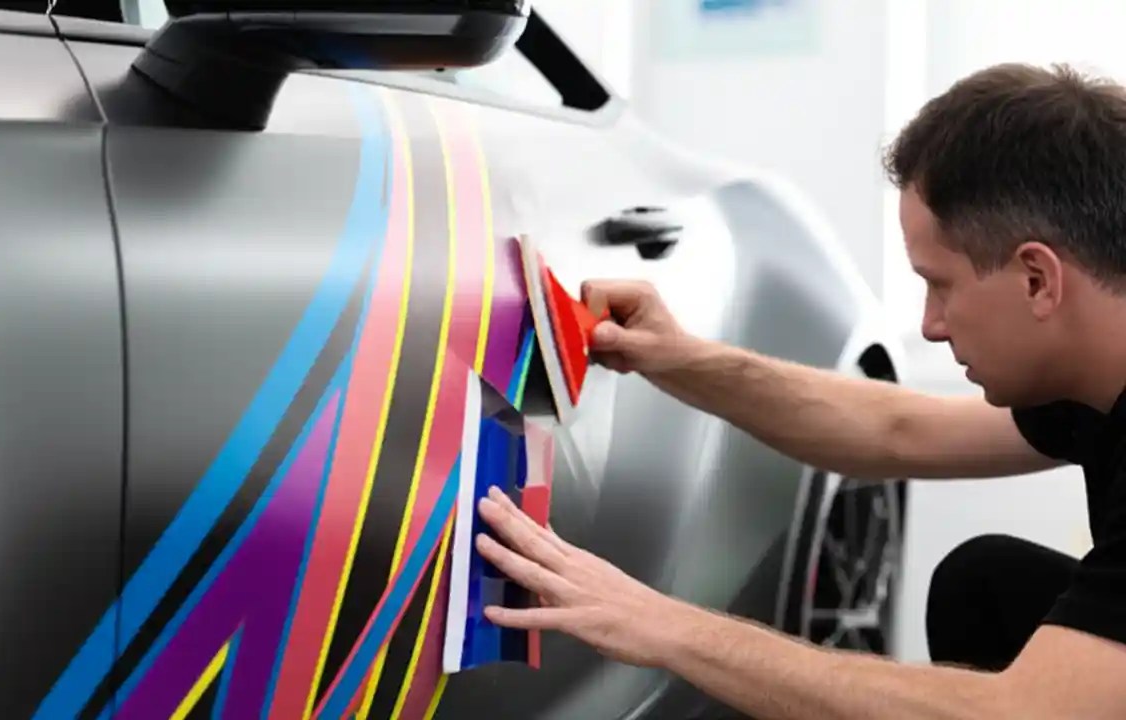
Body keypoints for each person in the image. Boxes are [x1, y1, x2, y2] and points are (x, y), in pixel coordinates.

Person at [474, 62, 1126, 719]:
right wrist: (680, 360)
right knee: (986, 585)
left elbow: (1017, 713)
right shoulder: (1093, 377)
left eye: (941, 285)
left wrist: (657, 624)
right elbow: (899, 431)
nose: (929, 326)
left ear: (1038, 280)